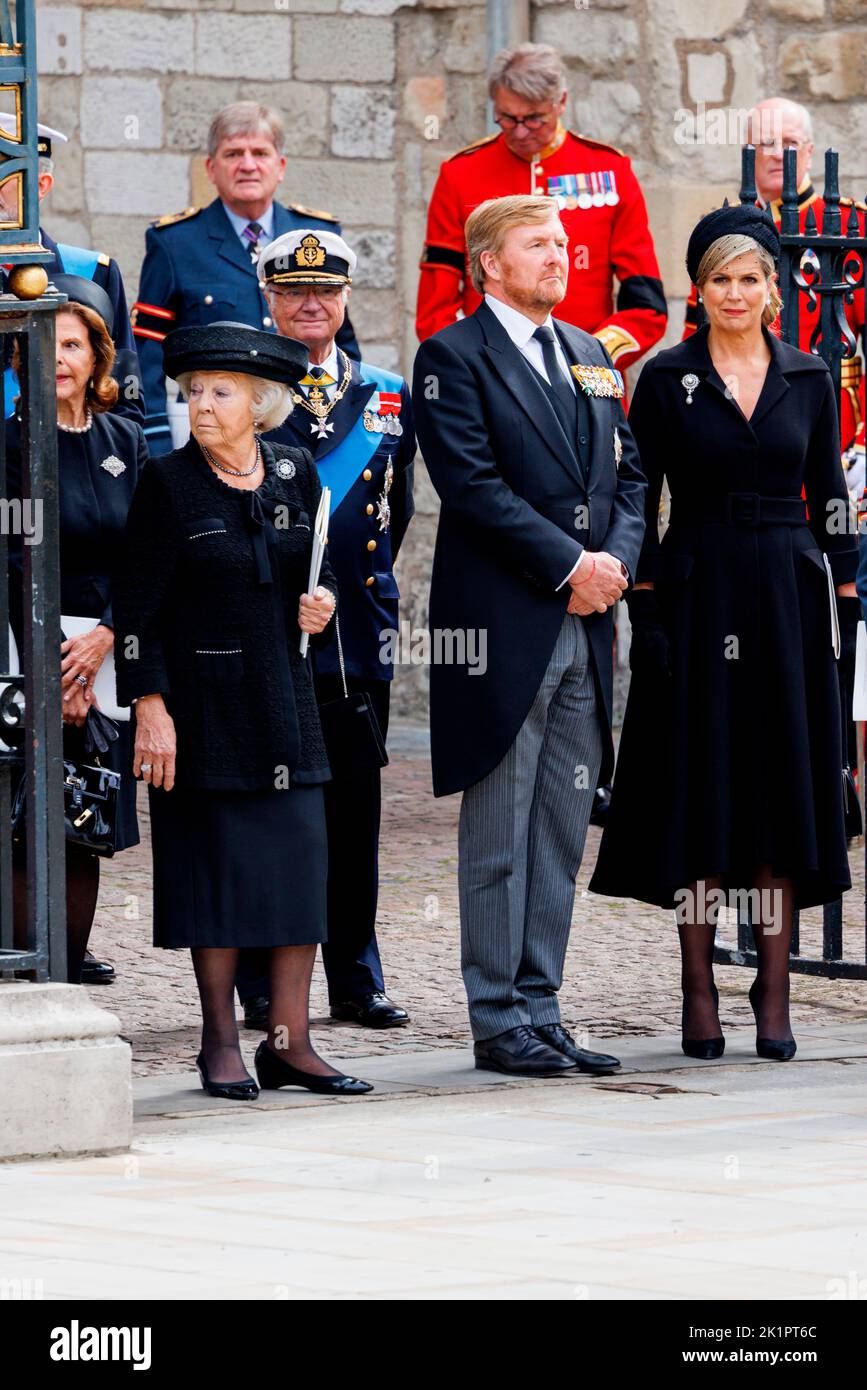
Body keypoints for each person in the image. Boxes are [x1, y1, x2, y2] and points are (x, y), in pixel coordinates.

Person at [590, 204, 858, 1063]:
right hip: (698, 594)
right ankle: (698, 985)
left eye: (749, 278)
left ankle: (772, 989)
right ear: (696, 291)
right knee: (702, 796)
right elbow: (639, 497)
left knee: (781, 793)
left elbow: (828, 499)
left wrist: (845, 601)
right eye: (718, 280)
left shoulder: (810, 377)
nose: (734, 293)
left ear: (772, 290)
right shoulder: (667, 380)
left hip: (785, 596)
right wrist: (646, 612)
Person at [412, 195, 646, 1077]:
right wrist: (570, 567)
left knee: (559, 825)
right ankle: (494, 1015)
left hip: (587, 625)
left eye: (562, 242)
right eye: (537, 243)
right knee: (502, 826)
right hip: (508, 624)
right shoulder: (453, 357)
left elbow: (629, 473)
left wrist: (611, 566)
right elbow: (473, 489)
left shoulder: (589, 353)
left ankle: (542, 1006)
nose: (560, 255)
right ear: (488, 263)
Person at [113, 322, 372, 1101]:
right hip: (203, 710)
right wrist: (150, 707)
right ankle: (218, 1043)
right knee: (216, 885)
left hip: (287, 703)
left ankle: (288, 1045)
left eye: (219, 393)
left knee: (298, 877)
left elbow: (308, 574)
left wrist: (319, 604)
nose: (200, 405)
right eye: (192, 392)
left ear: (259, 403)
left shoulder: (293, 469)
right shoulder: (167, 482)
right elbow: (136, 609)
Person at [231, 228, 416, 1033]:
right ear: (269, 298)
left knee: (353, 813)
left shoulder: (384, 392)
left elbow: (396, 508)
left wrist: (352, 596)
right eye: (295, 291)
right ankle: (263, 982)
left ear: (344, 299)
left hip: (352, 634)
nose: (312, 304)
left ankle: (355, 974)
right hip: (266, 625)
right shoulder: (242, 387)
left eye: (326, 291)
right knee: (271, 811)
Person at [7, 276, 147, 984]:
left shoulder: (127, 441)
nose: (58, 356)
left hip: (110, 652)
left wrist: (107, 636)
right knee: (29, 819)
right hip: (26, 651)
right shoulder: (7, 443)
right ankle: (30, 957)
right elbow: (8, 560)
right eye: (43, 342)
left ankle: (68, 954)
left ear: (97, 356)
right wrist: (50, 664)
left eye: (72, 343)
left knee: (87, 811)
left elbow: (153, 556)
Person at [416, 42, 667, 373]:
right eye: (507, 118)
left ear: (561, 102)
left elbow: (646, 307)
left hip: (586, 376)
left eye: (534, 119)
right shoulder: (460, 174)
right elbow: (436, 303)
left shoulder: (611, 171)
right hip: (489, 375)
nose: (520, 132)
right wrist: (471, 365)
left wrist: (588, 356)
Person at [133, 101, 360, 456]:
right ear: (211, 168)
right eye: (233, 153)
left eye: (260, 152)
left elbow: (342, 340)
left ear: (280, 166)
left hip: (310, 431)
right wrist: (157, 444)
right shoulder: (174, 243)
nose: (248, 165)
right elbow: (146, 354)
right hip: (216, 440)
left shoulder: (317, 236)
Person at [0, 118, 143, 427]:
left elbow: (124, 397)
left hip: (68, 461)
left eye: (5, 170)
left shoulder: (92, 272)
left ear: (40, 186)